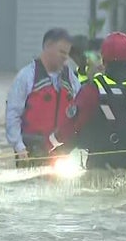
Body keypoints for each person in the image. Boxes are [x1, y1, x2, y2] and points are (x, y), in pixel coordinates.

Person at [45, 32, 126, 171]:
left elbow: (72, 124)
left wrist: (48, 144)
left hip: (100, 167)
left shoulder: (93, 89)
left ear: (104, 59)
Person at [6, 28, 81, 168]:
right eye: (62, 52)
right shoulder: (26, 77)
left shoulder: (70, 78)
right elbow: (13, 114)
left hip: (62, 149)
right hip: (31, 149)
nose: (65, 57)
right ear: (47, 46)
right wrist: (19, 146)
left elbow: (81, 108)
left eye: (67, 54)